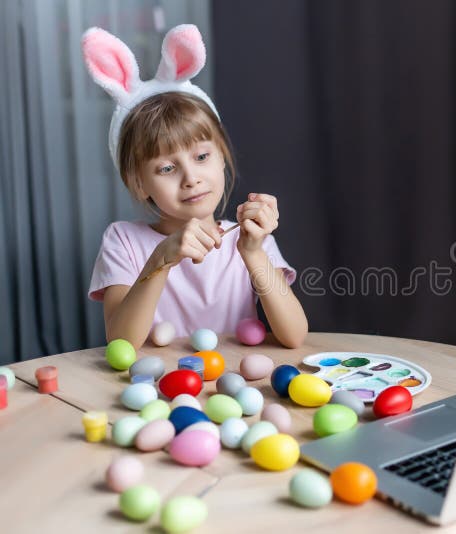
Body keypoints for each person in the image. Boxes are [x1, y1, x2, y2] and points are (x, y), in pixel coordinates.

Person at [83, 24, 307, 349]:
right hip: (161, 389)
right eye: (167, 168)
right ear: (138, 182)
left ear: (222, 157)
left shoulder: (248, 240)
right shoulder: (123, 241)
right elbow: (121, 343)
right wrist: (161, 260)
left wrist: (253, 253)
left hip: (234, 385)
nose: (191, 178)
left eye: (201, 156)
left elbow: (295, 336)